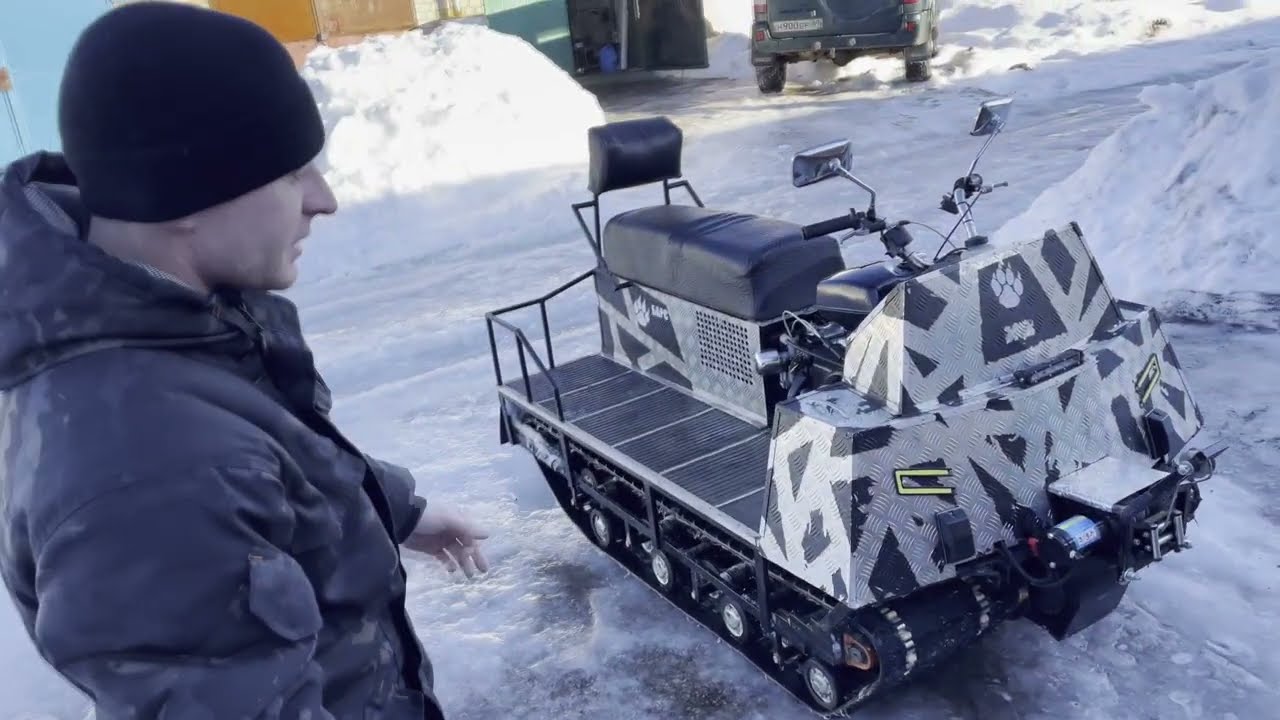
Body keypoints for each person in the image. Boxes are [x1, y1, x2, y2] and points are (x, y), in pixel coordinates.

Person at [0, 3, 488, 718]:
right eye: (292, 174)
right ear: (184, 195)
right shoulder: (149, 472)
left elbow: (260, 451)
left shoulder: (167, 323)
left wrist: (397, 509)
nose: (324, 200)